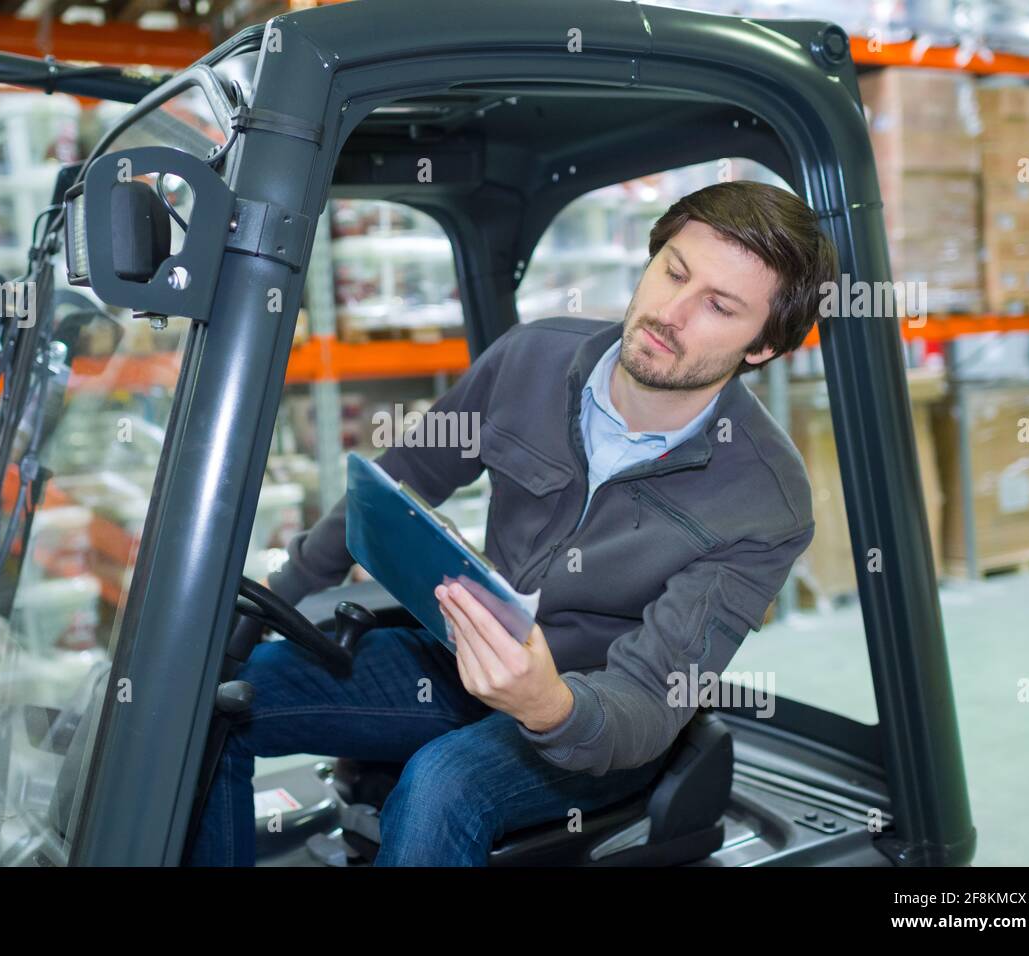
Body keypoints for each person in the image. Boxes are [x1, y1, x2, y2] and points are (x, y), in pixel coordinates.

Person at [190, 179, 839, 866]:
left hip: (594, 720)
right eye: (673, 271)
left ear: (762, 347)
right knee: (215, 704)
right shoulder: (531, 359)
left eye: (719, 306)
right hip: (453, 663)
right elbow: (395, 481)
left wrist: (547, 704)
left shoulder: (764, 499)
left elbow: (649, 701)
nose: (670, 313)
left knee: (443, 783)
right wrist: (262, 613)